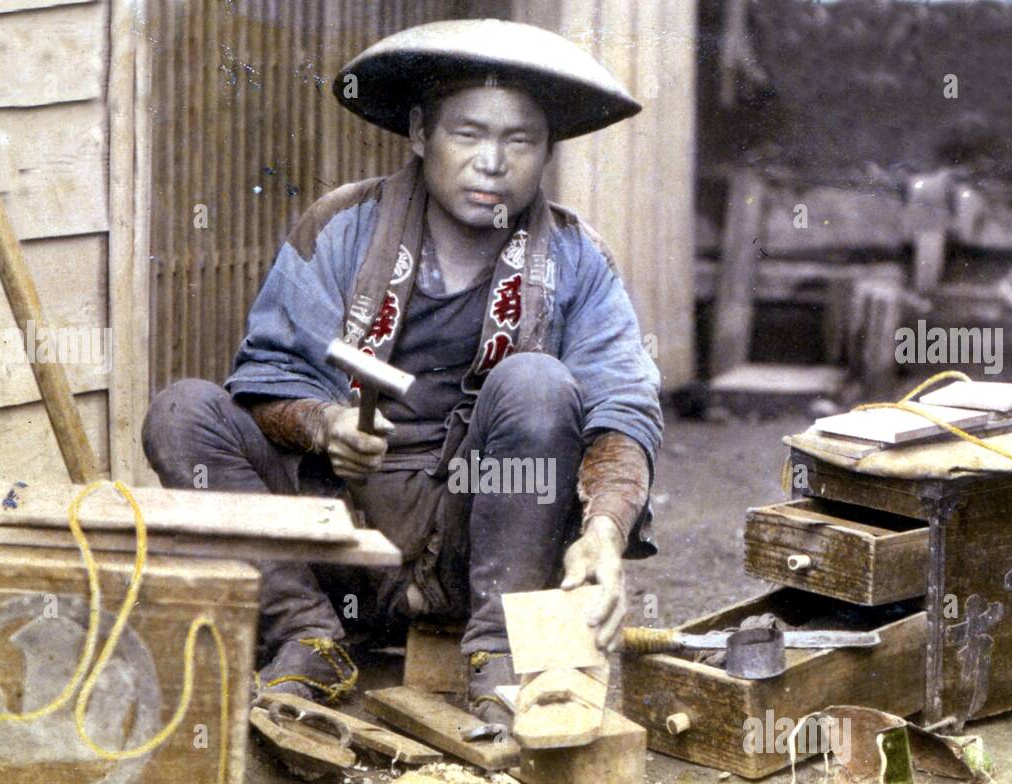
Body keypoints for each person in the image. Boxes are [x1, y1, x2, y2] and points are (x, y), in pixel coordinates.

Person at [142, 19, 663, 725]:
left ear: (547, 153)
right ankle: (304, 633)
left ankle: (498, 654)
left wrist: (603, 533)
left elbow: (623, 408)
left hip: (480, 541)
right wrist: (322, 424)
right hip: (338, 532)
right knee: (183, 412)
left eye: (521, 141)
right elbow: (267, 380)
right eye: (468, 134)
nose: (492, 163)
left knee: (537, 383)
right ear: (420, 134)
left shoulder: (575, 257)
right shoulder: (341, 228)